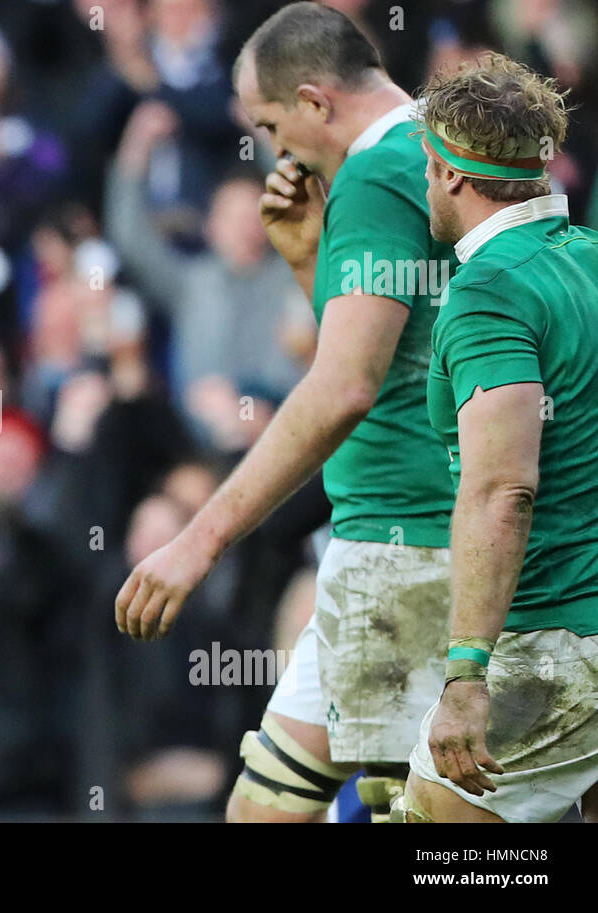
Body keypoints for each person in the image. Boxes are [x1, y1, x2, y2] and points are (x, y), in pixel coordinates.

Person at [115, 2, 456, 822]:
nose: (276, 151)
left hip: (402, 545)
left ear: (315, 101)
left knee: (300, 813)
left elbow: (344, 390)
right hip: (423, 532)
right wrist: (307, 257)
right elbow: (402, 358)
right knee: (316, 809)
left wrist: (197, 539)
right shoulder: (437, 150)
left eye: (271, 126)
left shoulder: (375, 178)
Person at [399, 54, 598, 824]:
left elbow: (501, 487)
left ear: (450, 174)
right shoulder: (588, 259)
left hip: (557, 635)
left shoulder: (488, 291)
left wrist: (467, 675)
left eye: (425, 165)